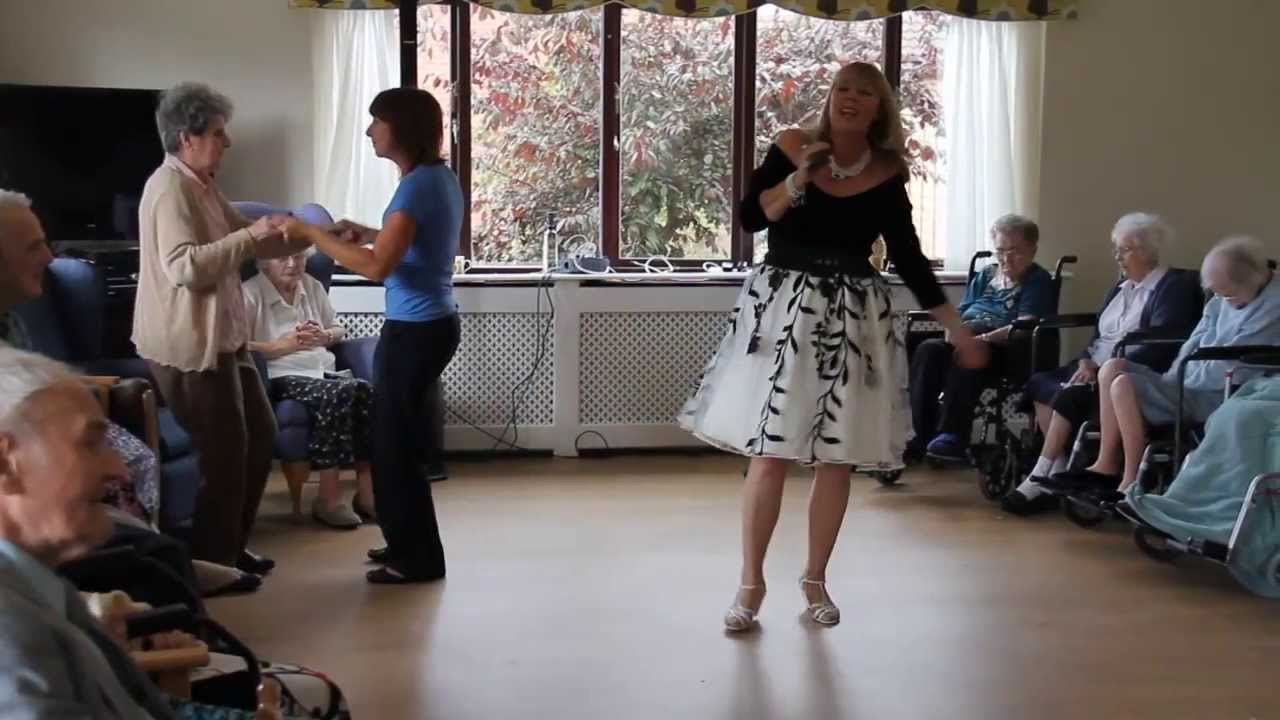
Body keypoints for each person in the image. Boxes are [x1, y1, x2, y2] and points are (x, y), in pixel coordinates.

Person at [678, 62, 987, 631]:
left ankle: (815, 578)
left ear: (878, 109)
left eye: (864, 94)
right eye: (844, 89)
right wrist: (798, 179)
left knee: (836, 456)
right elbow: (750, 217)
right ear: (831, 97)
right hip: (786, 305)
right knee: (770, 450)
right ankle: (750, 583)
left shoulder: (890, 171)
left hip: (854, 314)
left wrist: (956, 327)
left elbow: (910, 258)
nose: (851, 100)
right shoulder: (793, 145)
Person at [0, 346, 291, 719]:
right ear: (6, 463)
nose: (120, 469)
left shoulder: (41, 590)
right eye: (90, 443)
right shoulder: (16, 637)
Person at [1, 188, 259, 596]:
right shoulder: (169, 188)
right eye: (34, 248)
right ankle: (151, 563)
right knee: (123, 471)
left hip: (34, 431)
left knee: (131, 460)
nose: (49, 259)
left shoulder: (11, 319)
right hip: (23, 448)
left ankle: (162, 556)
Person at [282, 88, 462, 584]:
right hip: (431, 325)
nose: (368, 131)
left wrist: (312, 234)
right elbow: (405, 246)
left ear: (399, 127)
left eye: (375, 121)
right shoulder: (435, 179)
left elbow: (379, 267)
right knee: (394, 442)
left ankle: (418, 560)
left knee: (394, 446)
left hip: (416, 330)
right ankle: (407, 544)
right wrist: (365, 230)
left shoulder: (415, 187)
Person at [132, 83, 307, 573]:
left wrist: (304, 237)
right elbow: (184, 268)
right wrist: (252, 234)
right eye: (218, 132)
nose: (227, 142)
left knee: (260, 434)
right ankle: (214, 563)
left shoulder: (202, 183)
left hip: (226, 339)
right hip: (188, 344)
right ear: (187, 137)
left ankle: (230, 546)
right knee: (226, 453)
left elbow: (245, 243)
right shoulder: (168, 189)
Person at [1002, 213, 1203, 515]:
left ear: (1147, 251)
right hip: (1094, 364)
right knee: (1041, 382)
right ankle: (1055, 467)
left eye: (1124, 249)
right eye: (1116, 249)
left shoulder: (1175, 286)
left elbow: (1158, 346)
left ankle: (1039, 476)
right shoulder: (1119, 289)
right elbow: (1099, 335)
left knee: (1067, 394)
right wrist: (1085, 359)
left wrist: (1100, 369)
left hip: (1125, 372)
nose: (1117, 257)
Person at [1051, 235, 1280, 497]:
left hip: (1220, 392)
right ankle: (1105, 463)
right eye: (1215, 292)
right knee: (1112, 367)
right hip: (1186, 380)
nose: (1219, 300)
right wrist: (1174, 375)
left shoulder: (1273, 306)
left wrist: (1182, 378)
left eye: (1226, 294)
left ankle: (1130, 480)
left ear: (1251, 279)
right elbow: (1194, 341)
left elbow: (1225, 364)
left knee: (1124, 383)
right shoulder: (1224, 297)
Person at [243, 250, 375, 529]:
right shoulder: (250, 292)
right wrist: (282, 346)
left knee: (363, 389)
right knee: (336, 393)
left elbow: (338, 329)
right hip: (280, 373)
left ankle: (368, 494)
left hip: (322, 370)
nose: (292, 264)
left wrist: (324, 336)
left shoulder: (312, 286)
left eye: (299, 257)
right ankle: (328, 499)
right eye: (282, 257)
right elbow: (238, 345)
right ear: (265, 260)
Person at [906, 214, 1055, 463]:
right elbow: (961, 314)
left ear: (1032, 249)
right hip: (969, 338)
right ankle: (921, 433)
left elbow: (1025, 324)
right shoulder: (986, 275)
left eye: (1015, 251)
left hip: (1005, 349)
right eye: (1000, 251)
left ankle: (954, 434)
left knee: (969, 354)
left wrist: (980, 339)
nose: (1006, 258)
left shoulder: (1037, 280)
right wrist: (955, 333)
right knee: (928, 349)